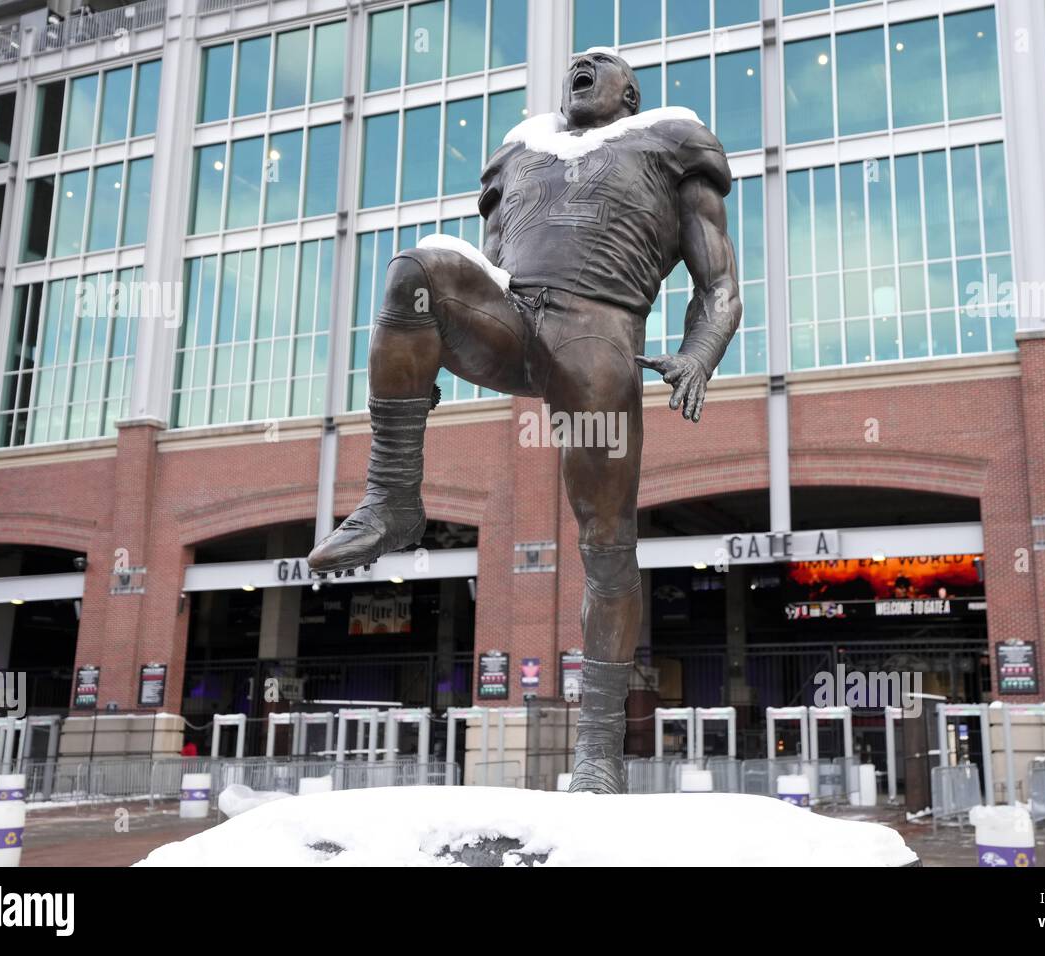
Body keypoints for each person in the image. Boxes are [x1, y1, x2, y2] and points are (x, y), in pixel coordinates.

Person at [309, 50, 741, 794]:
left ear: (628, 93)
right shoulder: (519, 153)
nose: (583, 63)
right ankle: (394, 497)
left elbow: (721, 282)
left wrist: (700, 353)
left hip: (598, 336)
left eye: (600, 63)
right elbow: (498, 259)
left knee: (605, 546)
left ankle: (599, 750)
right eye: (579, 60)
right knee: (418, 273)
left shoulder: (671, 142)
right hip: (516, 315)